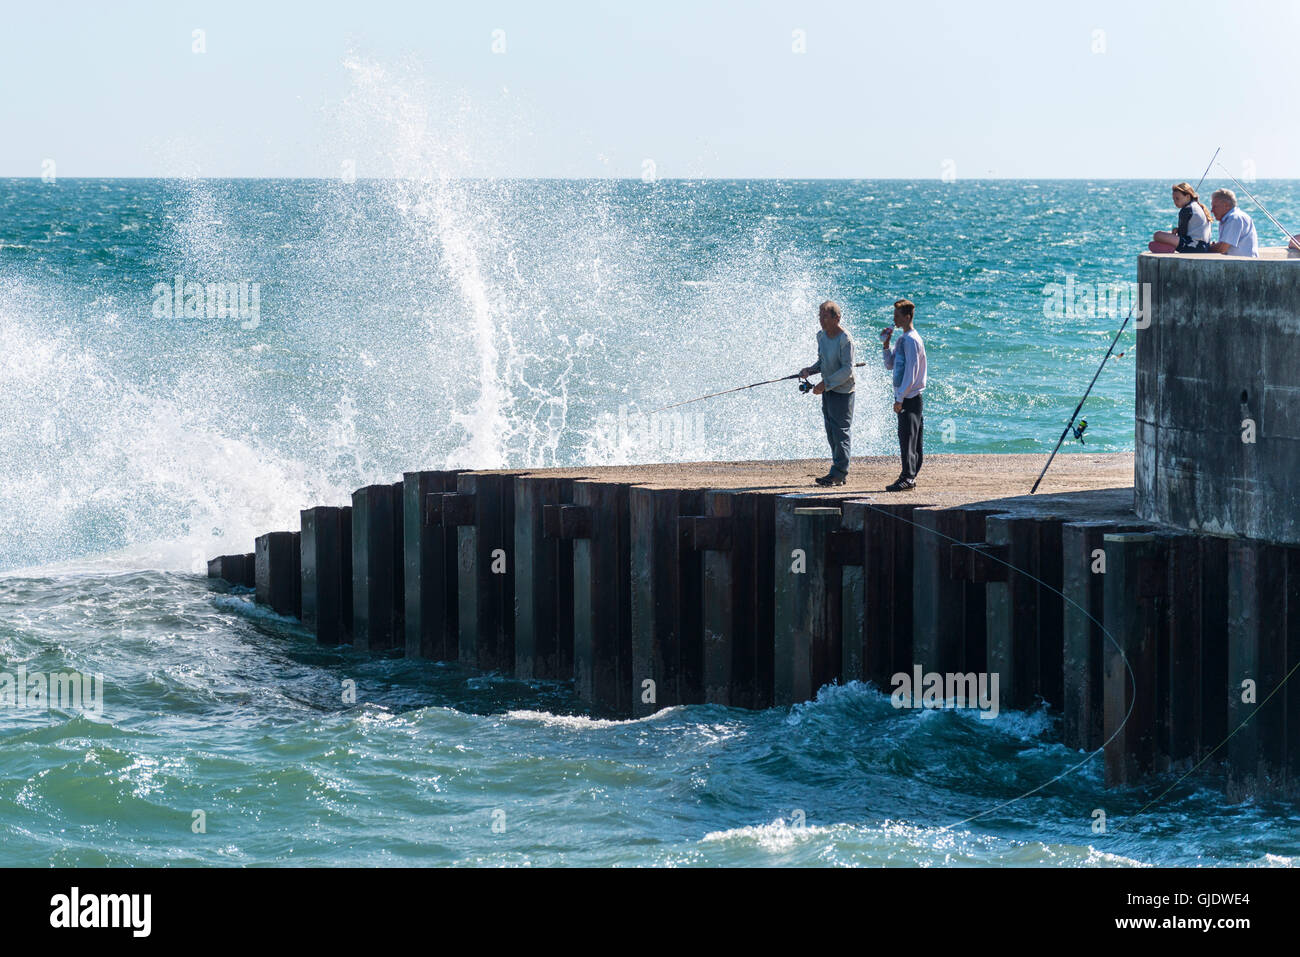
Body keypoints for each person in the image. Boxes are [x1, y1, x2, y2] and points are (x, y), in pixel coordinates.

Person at [798, 300, 855, 486]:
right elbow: (822, 362)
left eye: (825, 316)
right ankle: (838, 472)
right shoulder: (821, 336)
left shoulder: (845, 339)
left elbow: (847, 370)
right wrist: (810, 370)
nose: (821, 320)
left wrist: (825, 383)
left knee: (841, 433)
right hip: (828, 391)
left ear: (837, 318)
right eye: (819, 316)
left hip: (843, 392)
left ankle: (839, 472)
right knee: (831, 433)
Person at [881, 298, 926, 492]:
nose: (894, 319)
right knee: (907, 436)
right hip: (904, 395)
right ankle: (908, 475)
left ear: (907, 317)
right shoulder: (902, 339)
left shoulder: (912, 340)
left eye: (897, 316)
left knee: (909, 437)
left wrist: (900, 398)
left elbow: (912, 372)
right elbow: (890, 364)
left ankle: (908, 477)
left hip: (910, 396)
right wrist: (886, 344)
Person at [1149, 182, 1213, 254]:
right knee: (1166, 236)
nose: (1175, 202)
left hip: (1193, 247)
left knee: (1157, 235)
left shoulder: (1186, 210)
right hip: (1203, 247)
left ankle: (1170, 248)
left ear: (1188, 197)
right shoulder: (1197, 206)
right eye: (1173, 199)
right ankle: (1168, 247)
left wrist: (1175, 234)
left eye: (1177, 198)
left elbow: (1183, 234)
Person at [1207, 188, 1259, 257]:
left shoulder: (1234, 218)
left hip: (1243, 264)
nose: (1212, 210)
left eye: (1215, 206)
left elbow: (1222, 248)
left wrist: (1204, 248)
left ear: (1226, 206)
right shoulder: (1233, 217)